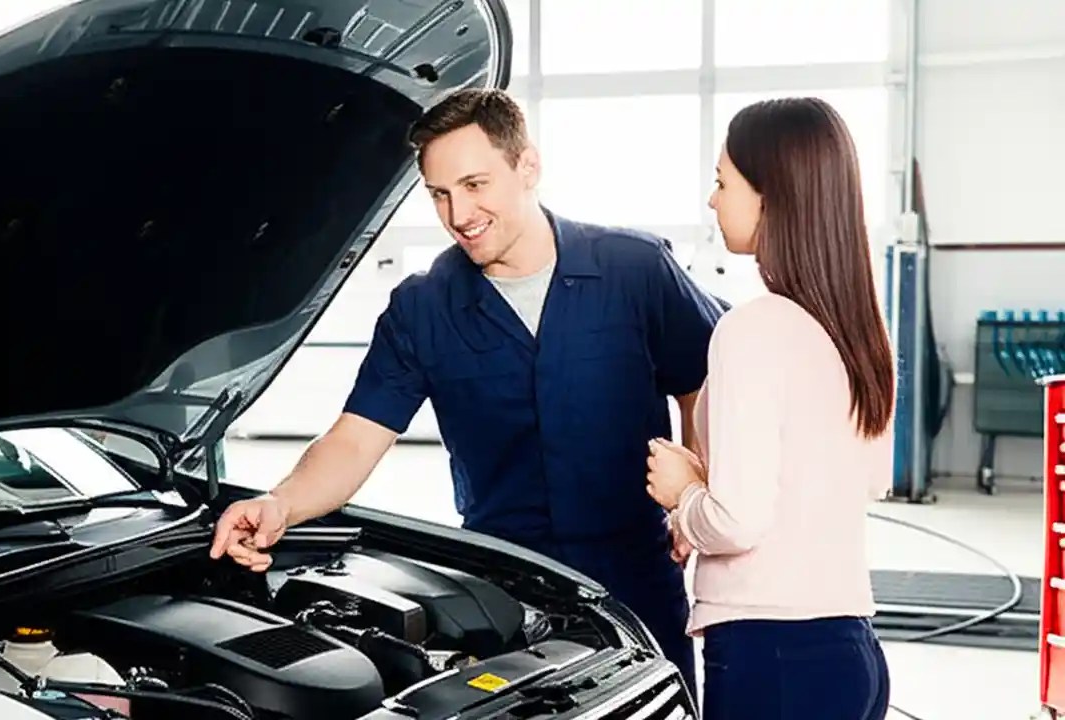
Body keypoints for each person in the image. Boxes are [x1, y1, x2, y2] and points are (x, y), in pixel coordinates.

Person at [209, 87, 723, 690]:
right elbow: (354, 440)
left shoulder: (635, 268)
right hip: (503, 588)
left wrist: (698, 492)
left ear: (527, 166)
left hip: (637, 579)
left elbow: (705, 383)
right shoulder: (421, 308)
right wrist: (280, 504)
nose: (459, 215)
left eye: (475, 185)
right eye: (440, 194)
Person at [645, 96, 895, 720]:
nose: (712, 200)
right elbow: (867, 479)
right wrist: (708, 488)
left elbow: (736, 523)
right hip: (851, 650)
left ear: (771, 195)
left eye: (722, 181)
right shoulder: (854, 330)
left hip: (773, 653)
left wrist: (684, 496)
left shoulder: (751, 329)